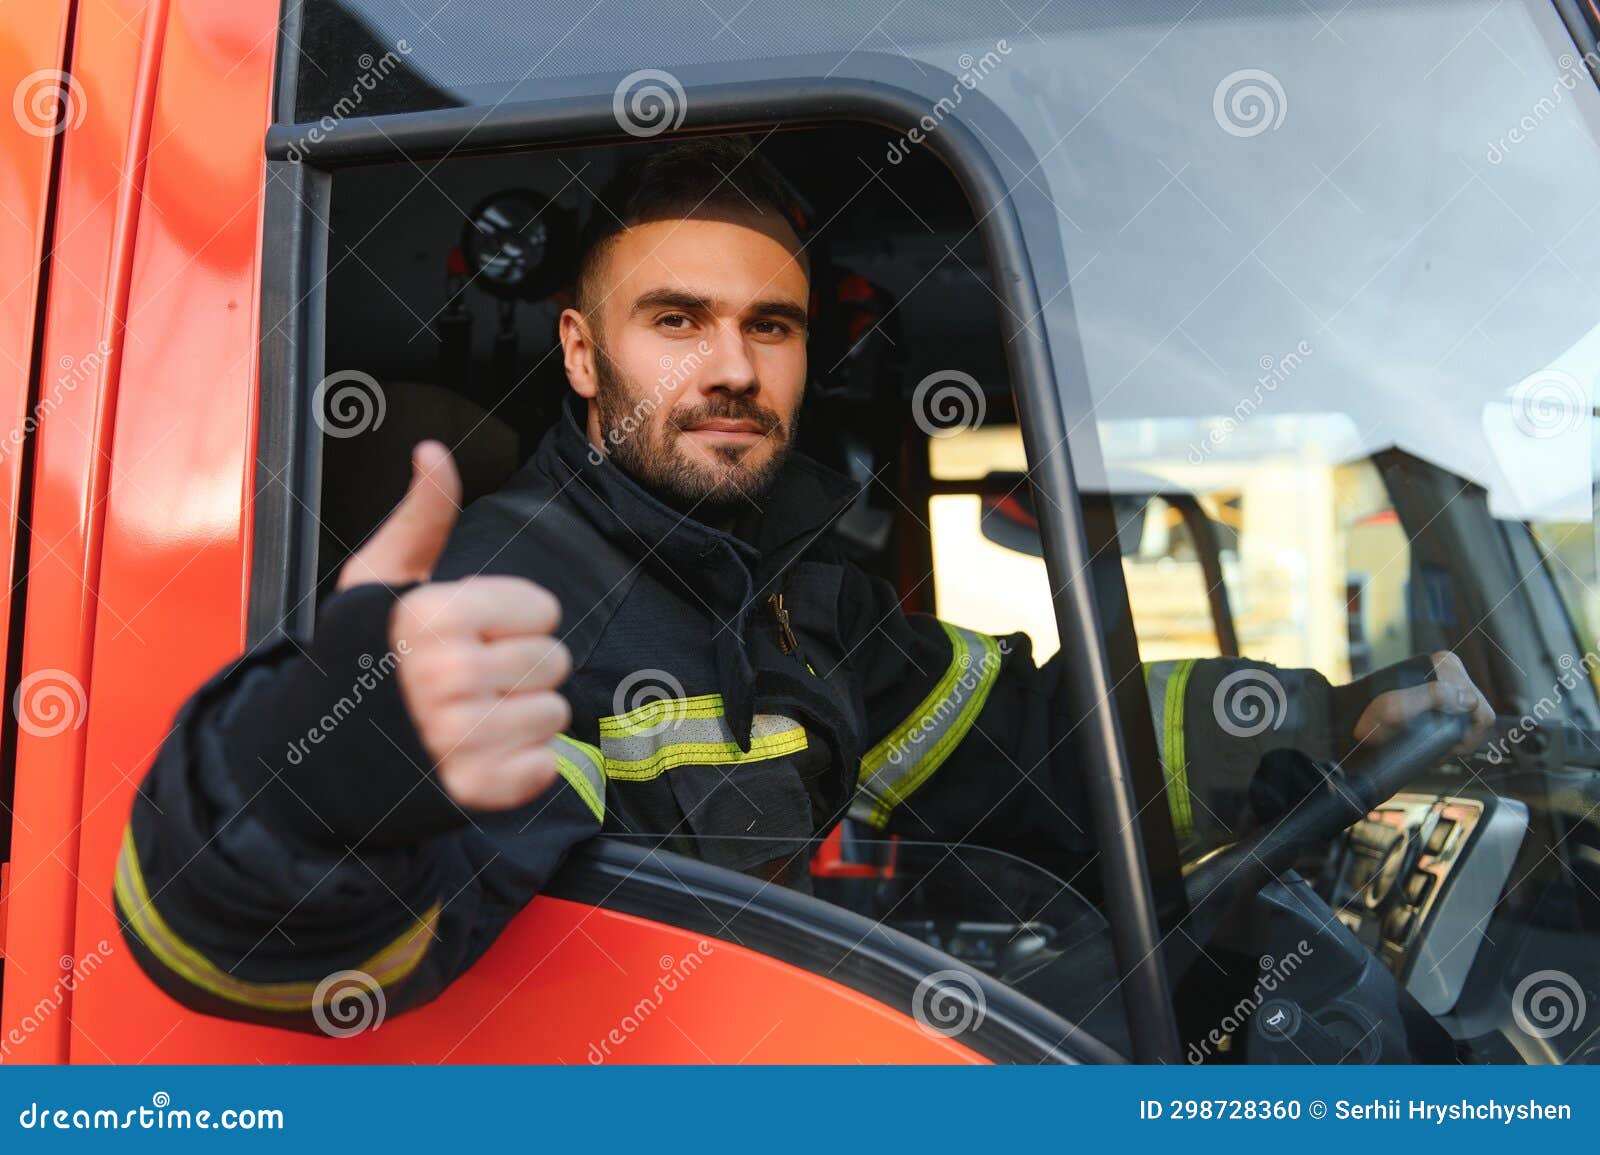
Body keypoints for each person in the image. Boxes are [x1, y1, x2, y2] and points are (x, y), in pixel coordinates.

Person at [114, 138, 1493, 1033]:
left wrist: (1319, 719)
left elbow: (1022, 747)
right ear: (584, 355)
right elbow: (255, 959)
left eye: (767, 327)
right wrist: (322, 793)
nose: (732, 366)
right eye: (677, 322)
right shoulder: (509, 602)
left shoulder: (787, 592)